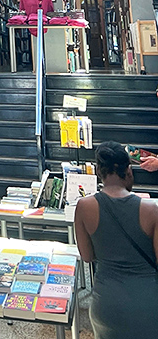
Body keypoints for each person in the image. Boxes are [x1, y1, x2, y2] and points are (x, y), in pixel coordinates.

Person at [74, 141, 158, 339]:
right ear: (128, 170)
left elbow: (87, 256)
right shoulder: (152, 210)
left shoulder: (84, 206)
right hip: (147, 305)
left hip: (106, 306)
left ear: (98, 172)